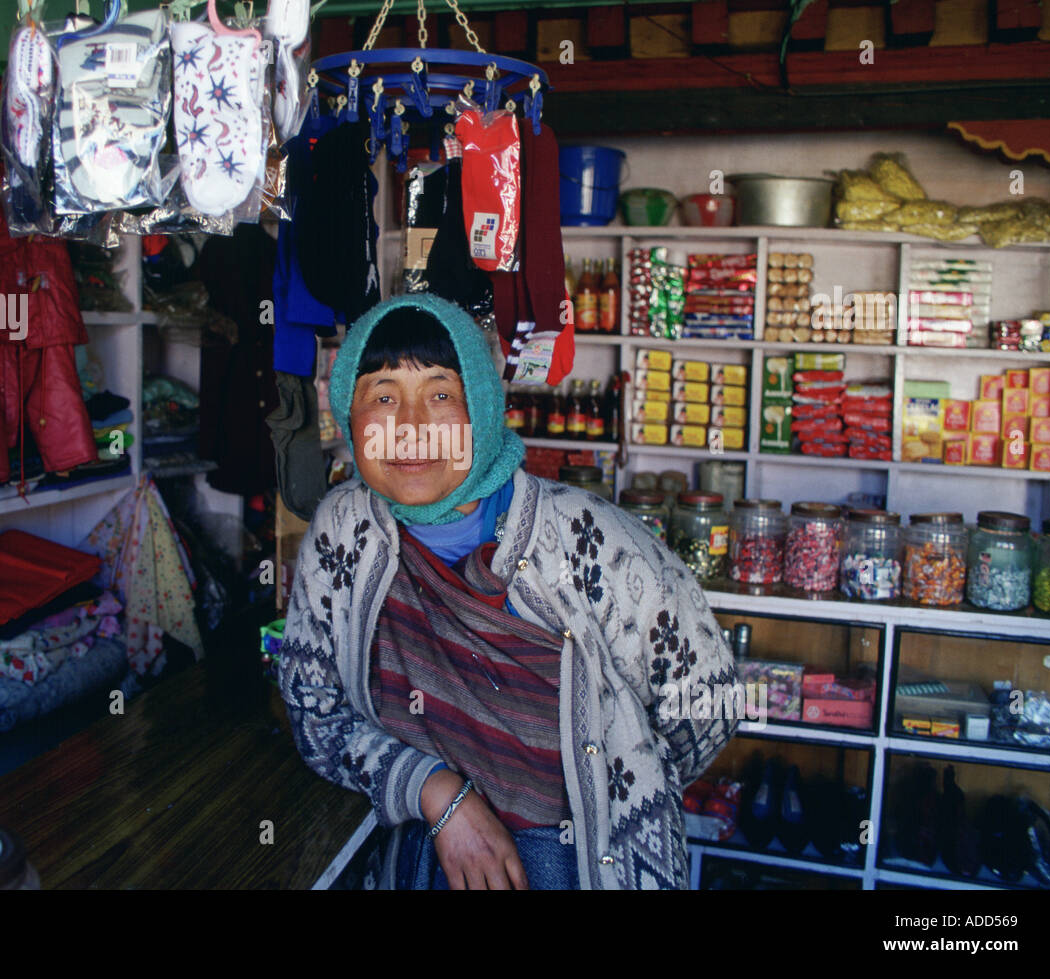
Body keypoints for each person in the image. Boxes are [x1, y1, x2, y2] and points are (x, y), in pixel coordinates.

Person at [278, 293, 738, 889]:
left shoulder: (588, 539)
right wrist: (435, 792)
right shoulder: (344, 529)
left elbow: (710, 702)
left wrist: (620, 788)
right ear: (348, 413)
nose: (411, 427)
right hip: (418, 840)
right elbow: (314, 714)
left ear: (485, 409)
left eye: (441, 394)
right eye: (383, 397)